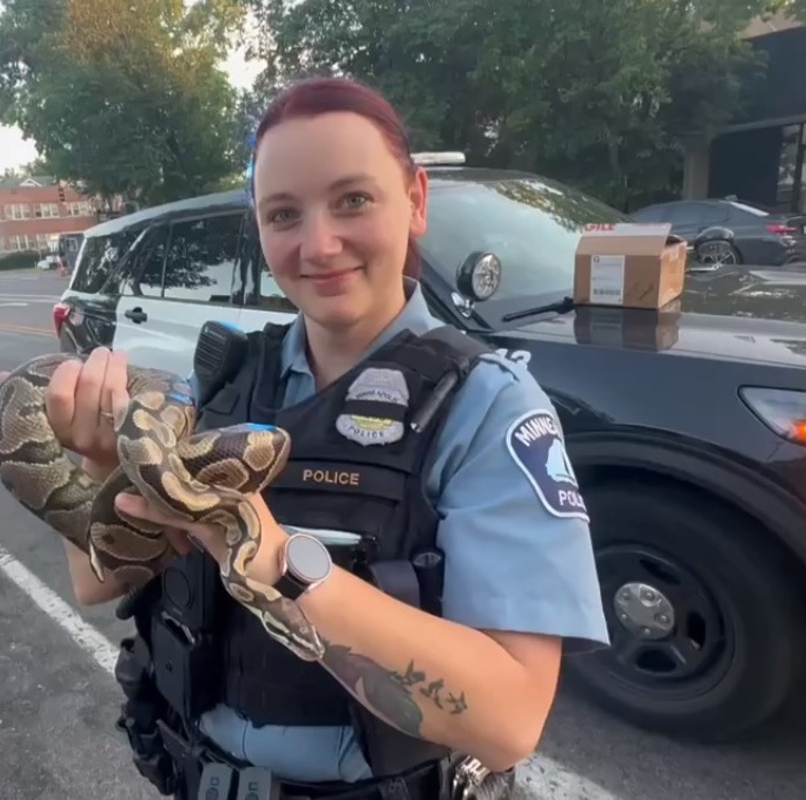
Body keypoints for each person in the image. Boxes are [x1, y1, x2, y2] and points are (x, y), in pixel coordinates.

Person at [38, 76, 610, 799]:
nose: (319, 244)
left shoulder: (485, 405)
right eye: (283, 214)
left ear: (417, 201)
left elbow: (510, 720)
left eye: (353, 200)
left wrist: (274, 561)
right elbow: (97, 582)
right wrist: (95, 463)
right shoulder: (218, 386)